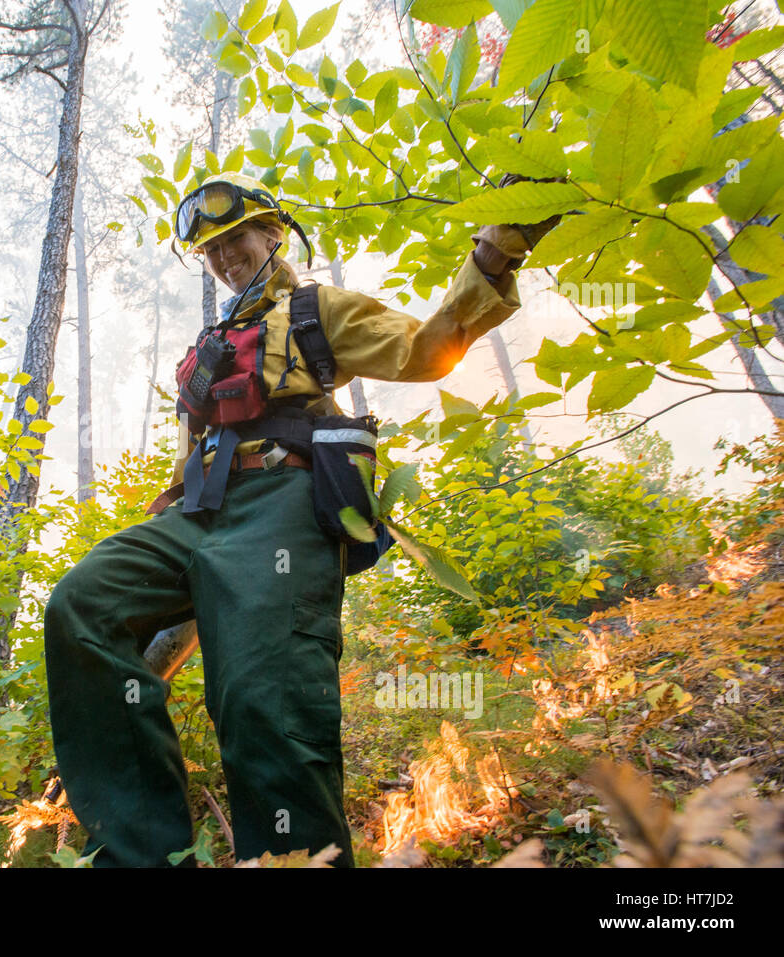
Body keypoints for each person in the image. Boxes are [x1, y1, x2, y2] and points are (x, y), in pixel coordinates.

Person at [43, 171, 553, 867]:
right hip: (197, 513)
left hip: (282, 504)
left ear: (271, 233)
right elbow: (189, 456)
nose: (225, 258)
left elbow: (428, 349)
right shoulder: (211, 342)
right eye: (211, 250)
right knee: (82, 602)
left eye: (235, 239)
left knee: (261, 700)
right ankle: (141, 856)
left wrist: (495, 253)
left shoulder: (315, 311)